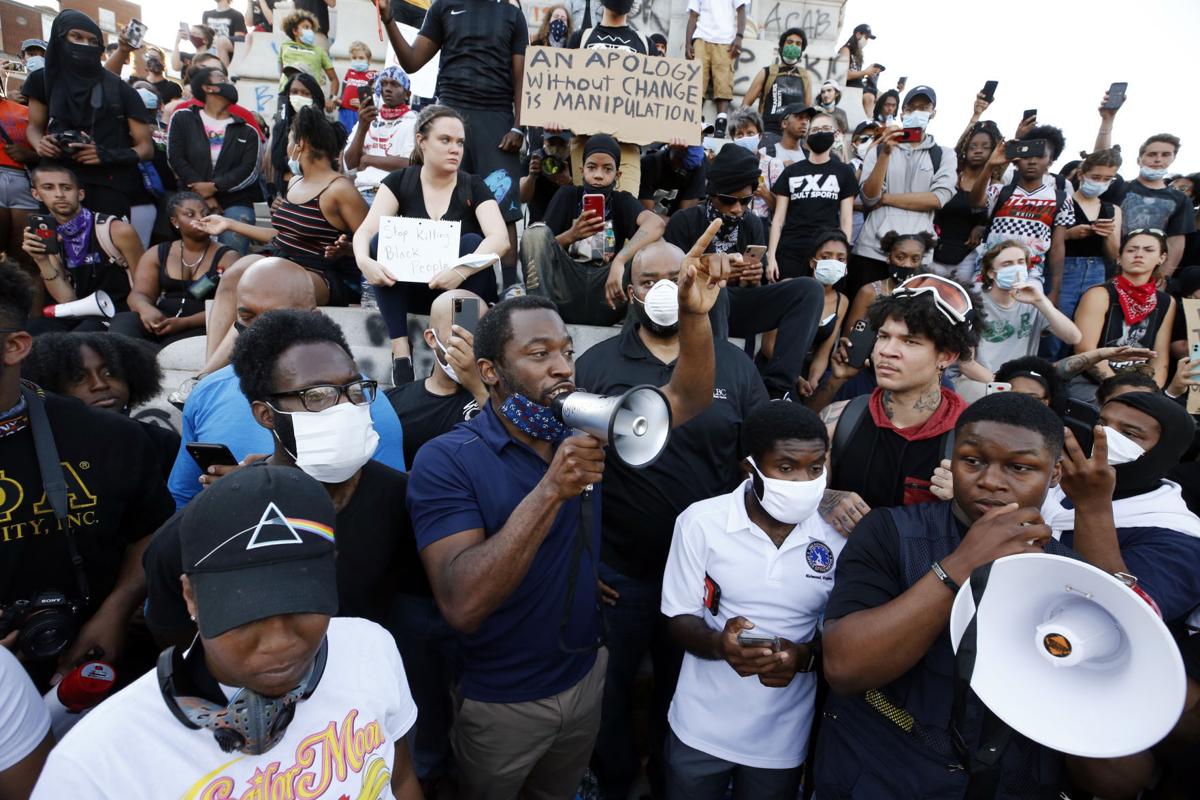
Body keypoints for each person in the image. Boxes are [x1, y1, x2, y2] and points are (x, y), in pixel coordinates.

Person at [406, 237, 730, 799]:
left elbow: (687, 398)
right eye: (539, 355)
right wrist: (553, 490)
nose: (561, 367)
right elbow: (462, 603)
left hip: (584, 679)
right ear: (491, 371)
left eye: (566, 350)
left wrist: (695, 318)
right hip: (500, 702)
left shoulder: (581, 428)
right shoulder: (448, 460)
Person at [31, 465, 422, 800]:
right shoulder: (94, 766)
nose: (279, 642)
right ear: (190, 596)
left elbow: (399, 779)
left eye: (302, 603)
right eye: (244, 613)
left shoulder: (370, 647)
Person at [816, 392, 1134, 798]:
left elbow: (1120, 777)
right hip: (881, 775)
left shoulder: (1068, 575)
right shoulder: (889, 531)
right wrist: (960, 566)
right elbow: (845, 668)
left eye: (1019, 467)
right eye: (973, 461)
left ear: (1055, 474)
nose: (990, 481)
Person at [576, 236, 766, 799]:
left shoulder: (734, 364)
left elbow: (758, 459)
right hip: (620, 574)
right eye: (648, 280)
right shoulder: (597, 365)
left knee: (684, 686)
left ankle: (669, 781)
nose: (663, 289)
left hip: (704, 580)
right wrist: (586, 558)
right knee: (608, 691)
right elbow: (568, 471)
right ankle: (618, 782)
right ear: (629, 291)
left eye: (673, 277)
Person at [146, 310, 412, 648]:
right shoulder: (210, 520)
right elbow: (173, 633)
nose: (346, 406)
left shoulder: (400, 499)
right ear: (265, 414)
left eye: (354, 389)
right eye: (316, 396)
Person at [0, 265, 174, 690]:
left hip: (90, 666)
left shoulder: (111, 436)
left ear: (15, 346)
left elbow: (151, 532)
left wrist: (115, 610)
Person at [661, 401, 842, 800]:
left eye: (815, 468)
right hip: (699, 725)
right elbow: (679, 617)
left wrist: (803, 657)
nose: (803, 481)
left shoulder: (838, 536)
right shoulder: (700, 523)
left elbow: (847, 637)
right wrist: (719, 644)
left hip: (781, 738)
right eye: (786, 467)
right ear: (751, 468)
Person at [166, 259, 406, 509]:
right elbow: (182, 499)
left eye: (276, 319)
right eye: (247, 316)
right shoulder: (208, 391)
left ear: (313, 318)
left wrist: (268, 484)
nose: (259, 331)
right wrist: (226, 497)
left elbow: (383, 505)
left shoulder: (360, 401)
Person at [385, 290, 485, 790]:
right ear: (431, 338)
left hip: (480, 585)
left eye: (479, 334)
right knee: (421, 708)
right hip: (412, 590)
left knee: (481, 713)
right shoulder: (395, 406)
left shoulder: (499, 404)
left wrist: (481, 387)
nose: (468, 343)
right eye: (457, 331)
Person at [197, 105, 368, 376]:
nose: (286, 147)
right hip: (279, 258)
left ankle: (206, 377)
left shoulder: (340, 189)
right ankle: (211, 369)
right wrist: (229, 224)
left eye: (289, 140)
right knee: (234, 275)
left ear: (301, 144)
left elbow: (373, 242)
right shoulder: (295, 182)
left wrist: (347, 249)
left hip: (319, 272)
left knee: (266, 281)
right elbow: (281, 237)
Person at [810, 276, 980, 534]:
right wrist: (825, 498)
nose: (887, 351)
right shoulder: (839, 418)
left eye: (909, 341)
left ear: (946, 356)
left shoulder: (974, 438)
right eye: (883, 336)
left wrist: (964, 505)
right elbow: (791, 489)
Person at [353, 105, 509, 375]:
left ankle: (461, 349)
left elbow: (500, 239)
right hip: (413, 291)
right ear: (421, 141)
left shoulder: (472, 185)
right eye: (445, 140)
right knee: (379, 242)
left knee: (473, 242)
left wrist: (459, 271)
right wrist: (364, 261)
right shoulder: (399, 182)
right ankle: (401, 352)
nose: (455, 149)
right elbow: (365, 232)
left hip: (461, 292)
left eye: (460, 142)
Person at [385, 0, 528, 289]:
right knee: (441, 201)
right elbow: (411, 62)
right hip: (450, 113)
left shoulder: (513, 14)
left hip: (497, 119)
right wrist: (389, 20)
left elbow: (521, 77)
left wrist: (518, 126)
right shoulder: (443, 6)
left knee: (504, 207)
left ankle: (511, 287)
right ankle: (430, 280)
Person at [664, 144, 823, 400]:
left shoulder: (751, 223)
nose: (738, 208)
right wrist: (711, 272)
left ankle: (778, 389)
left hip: (739, 305)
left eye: (746, 201)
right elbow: (671, 280)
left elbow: (756, 287)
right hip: (693, 309)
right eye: (729, 200)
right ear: (712, 194)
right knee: (716, 288)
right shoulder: (685, 221)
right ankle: (718, 383)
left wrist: (752, 277)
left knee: (809, 290)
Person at [521, 133, 665, 327]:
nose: (598, 175)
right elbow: (540, 245)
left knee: (656, 244)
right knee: (534, 233)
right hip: (565, 293)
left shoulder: (622, 200)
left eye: (607, 169)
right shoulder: (567, 195)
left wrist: (620, 261)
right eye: (592, 167)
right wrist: (572, 235)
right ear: (582, 171)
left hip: (608, 294)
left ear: (617, 175)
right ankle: (540, 317)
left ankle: (637, 329)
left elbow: (656, 224)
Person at [23, 10, 155, 220]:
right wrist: (40, 144)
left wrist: (106, 155)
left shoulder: (121, 89)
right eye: (76, 37)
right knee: (55, 241)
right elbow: (34, 127)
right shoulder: (42, 80)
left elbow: (146, 148)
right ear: (59, 37)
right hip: (56, 182)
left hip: (108, 184)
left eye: (93, 41)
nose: (85, 45)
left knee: (109, 240)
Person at [22, 330, 180, 478]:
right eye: (79, 377)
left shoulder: (162, 442)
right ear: (51, 386)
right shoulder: (34, 447)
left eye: (110, 372)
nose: (100, 384)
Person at [851, 86, 956, 297]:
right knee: (862, 308)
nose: (917, 112)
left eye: (923, 108)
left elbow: (937, 199)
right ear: (902, 113)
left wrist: (886, 198)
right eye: (911, 108)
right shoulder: (879, 150)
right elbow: (869, 197)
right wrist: (885, 154)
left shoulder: (944, 155)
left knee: (905, 314)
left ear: (933, 113)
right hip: (873, 249)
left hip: (916, 255)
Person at [20, 164, 144, 333]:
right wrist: (42, 260)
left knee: (82, 335)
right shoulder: (50, 235)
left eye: (66, 188)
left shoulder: (117, 230)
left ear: (80, 194)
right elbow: (67, 300)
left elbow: (143, 283)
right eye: (48, 187)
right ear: (36, 194)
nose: (59, 194)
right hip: (78, 312)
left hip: (119, 312)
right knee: (33, 331)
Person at [122, 192, 239, 347]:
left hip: (204, 322)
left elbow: (230, 307)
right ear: (175, 221)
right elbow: (139, 294)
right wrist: (146, 309)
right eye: (190, 214)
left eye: (205, 214)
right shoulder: (157, 253)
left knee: (176, 345)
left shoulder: (228, 257)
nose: (200, 218)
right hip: (163, 319)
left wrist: (185, 323)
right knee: (124, 321)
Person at [166, 67, 261, 255]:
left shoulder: (247, 130)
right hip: (190, 198)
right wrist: (203, 194)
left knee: (231, 251)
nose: (230, 84)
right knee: (192, 252)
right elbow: (175, 158)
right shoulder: (183, 118)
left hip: (235, 201)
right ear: (208, 88)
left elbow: (249, 170)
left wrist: (215, 187)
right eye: (222, 79)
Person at [972, 125, 1074, 293]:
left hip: (1031, 275)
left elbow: (1057, 247)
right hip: (989, 272)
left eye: (1040, 156)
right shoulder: (999, 191)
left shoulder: (1061, 199)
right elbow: (976, 201)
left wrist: (1055, 291)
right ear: (1016, 159)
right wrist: (989, 166)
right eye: (1026, 156)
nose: (1032, 161)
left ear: (1050, 161)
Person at [1074, 229, 1176, 388]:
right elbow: (1084, 350)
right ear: (1119, 258)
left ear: (1161, 258)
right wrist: (1120, 389)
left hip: (1141, 385)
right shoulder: (1099, 294)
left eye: (1148, 250)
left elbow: (1160, 358)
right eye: (1131, 250)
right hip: (1093, 383)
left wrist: (1153, 391)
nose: (1139, 255)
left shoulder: (1166, 301)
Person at [968, 240, 1081, 381]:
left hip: (1022, 380)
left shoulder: (1034, 301)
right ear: (991, 273)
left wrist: (1040, 301)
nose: (1016, 268)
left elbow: (1073, 337)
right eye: (1007, 264)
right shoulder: (975, 303)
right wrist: (1003, 386)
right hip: (982, 381)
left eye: (1020, 262)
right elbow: (967, 364)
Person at [767, 111, 857, 279]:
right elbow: (778, 218)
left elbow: (846, 220)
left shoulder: (844, 172)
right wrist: (771, 256)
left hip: (826, 252)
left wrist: (842, 257)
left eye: (825, 128)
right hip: (790, 249)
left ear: (835, 134)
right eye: (814, 130)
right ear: (807, 135)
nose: (820, 133)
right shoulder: (792, 171)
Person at [1117, 134, 1195, 277]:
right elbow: (1099, 158)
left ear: (1173, 158)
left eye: (1165, 155)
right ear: (1139, 159)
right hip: (1111, 267)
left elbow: (1176, 242)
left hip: (1151, 271)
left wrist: (1164, 276)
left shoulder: (1181, 200)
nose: (1158, 159)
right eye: (1152, 154)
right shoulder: (1119, 188)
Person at [929, 120, 998, 283]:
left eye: (985, 147)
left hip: (966, 258)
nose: (978, 150)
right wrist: (975, 117)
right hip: (933, 250)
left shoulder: (995, 186)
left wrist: (982, 227)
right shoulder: (948, 175)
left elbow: (996, 219)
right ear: (965, 150)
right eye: (973, 146)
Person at [344, 66, 417, 206]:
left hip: (392, 197)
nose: (387, 89)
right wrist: (362, 128)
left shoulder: (414, 123)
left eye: (395, 84)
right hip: (360, 194)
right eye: (384, 84)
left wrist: (367, 159)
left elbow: (410, 165)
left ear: (407, 94)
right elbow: (350, 166)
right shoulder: (367, 119)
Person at [797, 231, 852, 398]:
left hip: (809, 371)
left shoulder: (841, 301)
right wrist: (796, 378)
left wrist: (813, 379)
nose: (833, 263)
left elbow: (824, 351)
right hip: (778, 368)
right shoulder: (791, 288)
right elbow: (769, 345)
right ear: (812, 262)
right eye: (826, 257)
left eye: (840, 259)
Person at [268, 72, 339, 186]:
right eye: (294, 92)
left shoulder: (328, 130)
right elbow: (278, 163)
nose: (299, 96)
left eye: (305, 93)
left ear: (314, 97)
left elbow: (327, 164)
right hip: (287, 188)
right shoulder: (280, 127)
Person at [740, 27, 812, 139]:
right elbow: (745, 104)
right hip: (769, 133)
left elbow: (807, 110)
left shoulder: (805, 76)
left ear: (801, 50)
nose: (793, 46)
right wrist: (748, 129)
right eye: (789, 42)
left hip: (795, 136)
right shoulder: (767, 72)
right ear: (782, 46)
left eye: (798, 44)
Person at [684, 0, 746, 128]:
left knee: (723, 82)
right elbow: (693, 15)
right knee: (697, 81)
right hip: (701, 37)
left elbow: (741, 10)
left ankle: (721, 121)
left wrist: (739, 37)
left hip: (725, 40)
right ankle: (694, 119)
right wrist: (688, 43)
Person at [0, 75, 38, 284]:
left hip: (24, 181)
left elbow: (47, 150)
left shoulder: (25, 112)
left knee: (27, 257)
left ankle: (26, 306)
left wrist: (31, 156)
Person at [639, 140, 708, 218]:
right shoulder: (651, 163)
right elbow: (646, 216)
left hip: (671, 223)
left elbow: (685, 219)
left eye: (701, 140)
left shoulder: (698, 167)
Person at [520, 128, 574, 225]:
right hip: (540, 224)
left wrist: (569, 183)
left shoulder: (576, 161)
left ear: (569, 142)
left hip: (569, 223)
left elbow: (585, 199)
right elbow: (522, 198)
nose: (556, 149)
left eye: (561, 144)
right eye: (552, 143)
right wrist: (532, 177)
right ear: (544, 140)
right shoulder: (533, 160)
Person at [837, 24, 880, 116]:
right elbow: (845, 75)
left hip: (858, 86)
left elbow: (857, 74)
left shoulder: (858, 54)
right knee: (869, 97)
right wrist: (865, 72)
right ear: (858, 35)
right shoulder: (845, 50)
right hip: (848, 87)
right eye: (866, 37)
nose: (867, 41)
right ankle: (868, 123)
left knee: (881, 96)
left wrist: (869, 73)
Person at [337, 41, 377, 133]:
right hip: (345, 112)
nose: (357, 61)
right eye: (354, 58)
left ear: (369, 60)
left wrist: (364, 104)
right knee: (343, 136)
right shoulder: (349, 73)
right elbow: (342, 95)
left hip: (361, 113)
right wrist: (337, 101)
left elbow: (376, 98)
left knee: (359, 135)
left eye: (361, 58)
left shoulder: (373, 75)